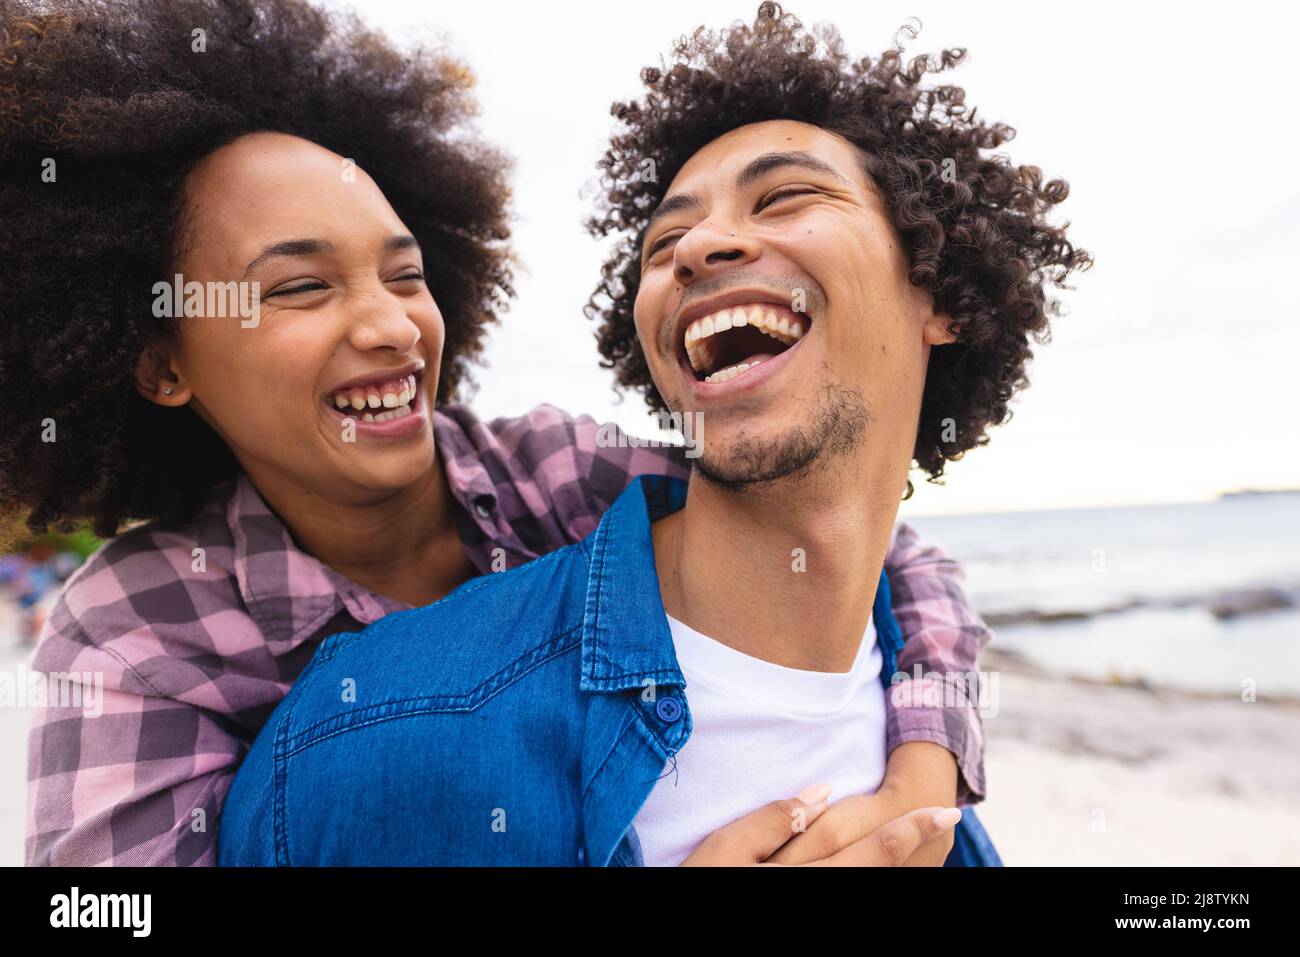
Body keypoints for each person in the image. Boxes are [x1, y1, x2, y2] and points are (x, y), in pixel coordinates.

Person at [4, 0, 990, 866]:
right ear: (162, 364)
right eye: (300, 287)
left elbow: (858, 544)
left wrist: (925, 761)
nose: (391, 327)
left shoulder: (552, 472)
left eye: (405, 275)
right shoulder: (136, 633)